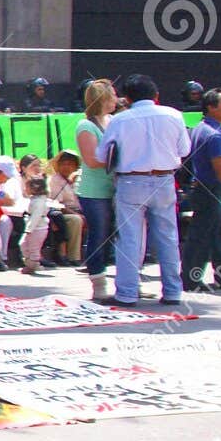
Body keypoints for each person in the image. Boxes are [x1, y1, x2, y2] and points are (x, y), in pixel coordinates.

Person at [97, 74, 190, 307]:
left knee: (130, 239)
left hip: (131, 182)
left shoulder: (119, 120)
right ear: (156, 95)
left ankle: (127, 294)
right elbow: (184, 149)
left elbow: (102, 156)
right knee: (168, 237)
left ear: (126, 99)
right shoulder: (174, 115)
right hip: (164, 179)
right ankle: (172, 292)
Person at [182, 88, 221, 292]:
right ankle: (191, 280)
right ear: (210, 107)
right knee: (201, 237)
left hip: (203, 187)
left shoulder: (201, 128)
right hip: (210, 188)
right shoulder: (214, 135)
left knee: (219, 232)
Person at [75, 79, 119, 301]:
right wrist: (119, 159)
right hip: (93, 191)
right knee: (98, 234)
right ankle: (98, 282)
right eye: (112, 96)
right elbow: (91, 160)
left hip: (113, 187)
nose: (116, 99)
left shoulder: (112, 121)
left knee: (116, 234)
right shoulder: (86, 126)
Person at [46, 151, 85, 266]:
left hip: (78, 210)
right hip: (60, 213)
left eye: (70, 164)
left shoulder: (76, 179)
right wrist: (76, 213)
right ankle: (73, 257)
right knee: (76, 220)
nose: (66, 167)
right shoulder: (55, 180)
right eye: (63, 164)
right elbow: (57, 204)